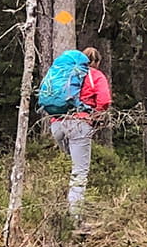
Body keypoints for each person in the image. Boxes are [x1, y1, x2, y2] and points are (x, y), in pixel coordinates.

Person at [48, 43, 113, 216]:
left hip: (57, 123)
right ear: (97, 62)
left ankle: (56, 207)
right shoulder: (95, 75)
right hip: (79, 124)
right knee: (79, 172)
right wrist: (96, 115)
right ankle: (74, 215)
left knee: (66, 166)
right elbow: (105, 100)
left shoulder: (66, 72)